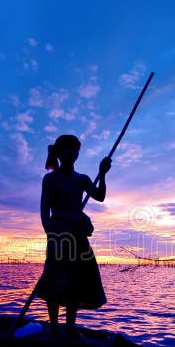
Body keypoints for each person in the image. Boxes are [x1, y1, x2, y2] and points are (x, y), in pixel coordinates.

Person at [38, 134, 111, 335]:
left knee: (75, 281)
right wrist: (52, 236)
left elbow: (100, 196)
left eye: (75, 150)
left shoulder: (82, 179)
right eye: (68, 149)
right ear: (60, 152)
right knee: (54, 279)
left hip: (77, 235)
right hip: (58, 234)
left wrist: (102, 173)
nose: (72, 153)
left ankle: (69, 328)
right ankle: (53, 328)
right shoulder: (50, 179)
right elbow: (45, 212)